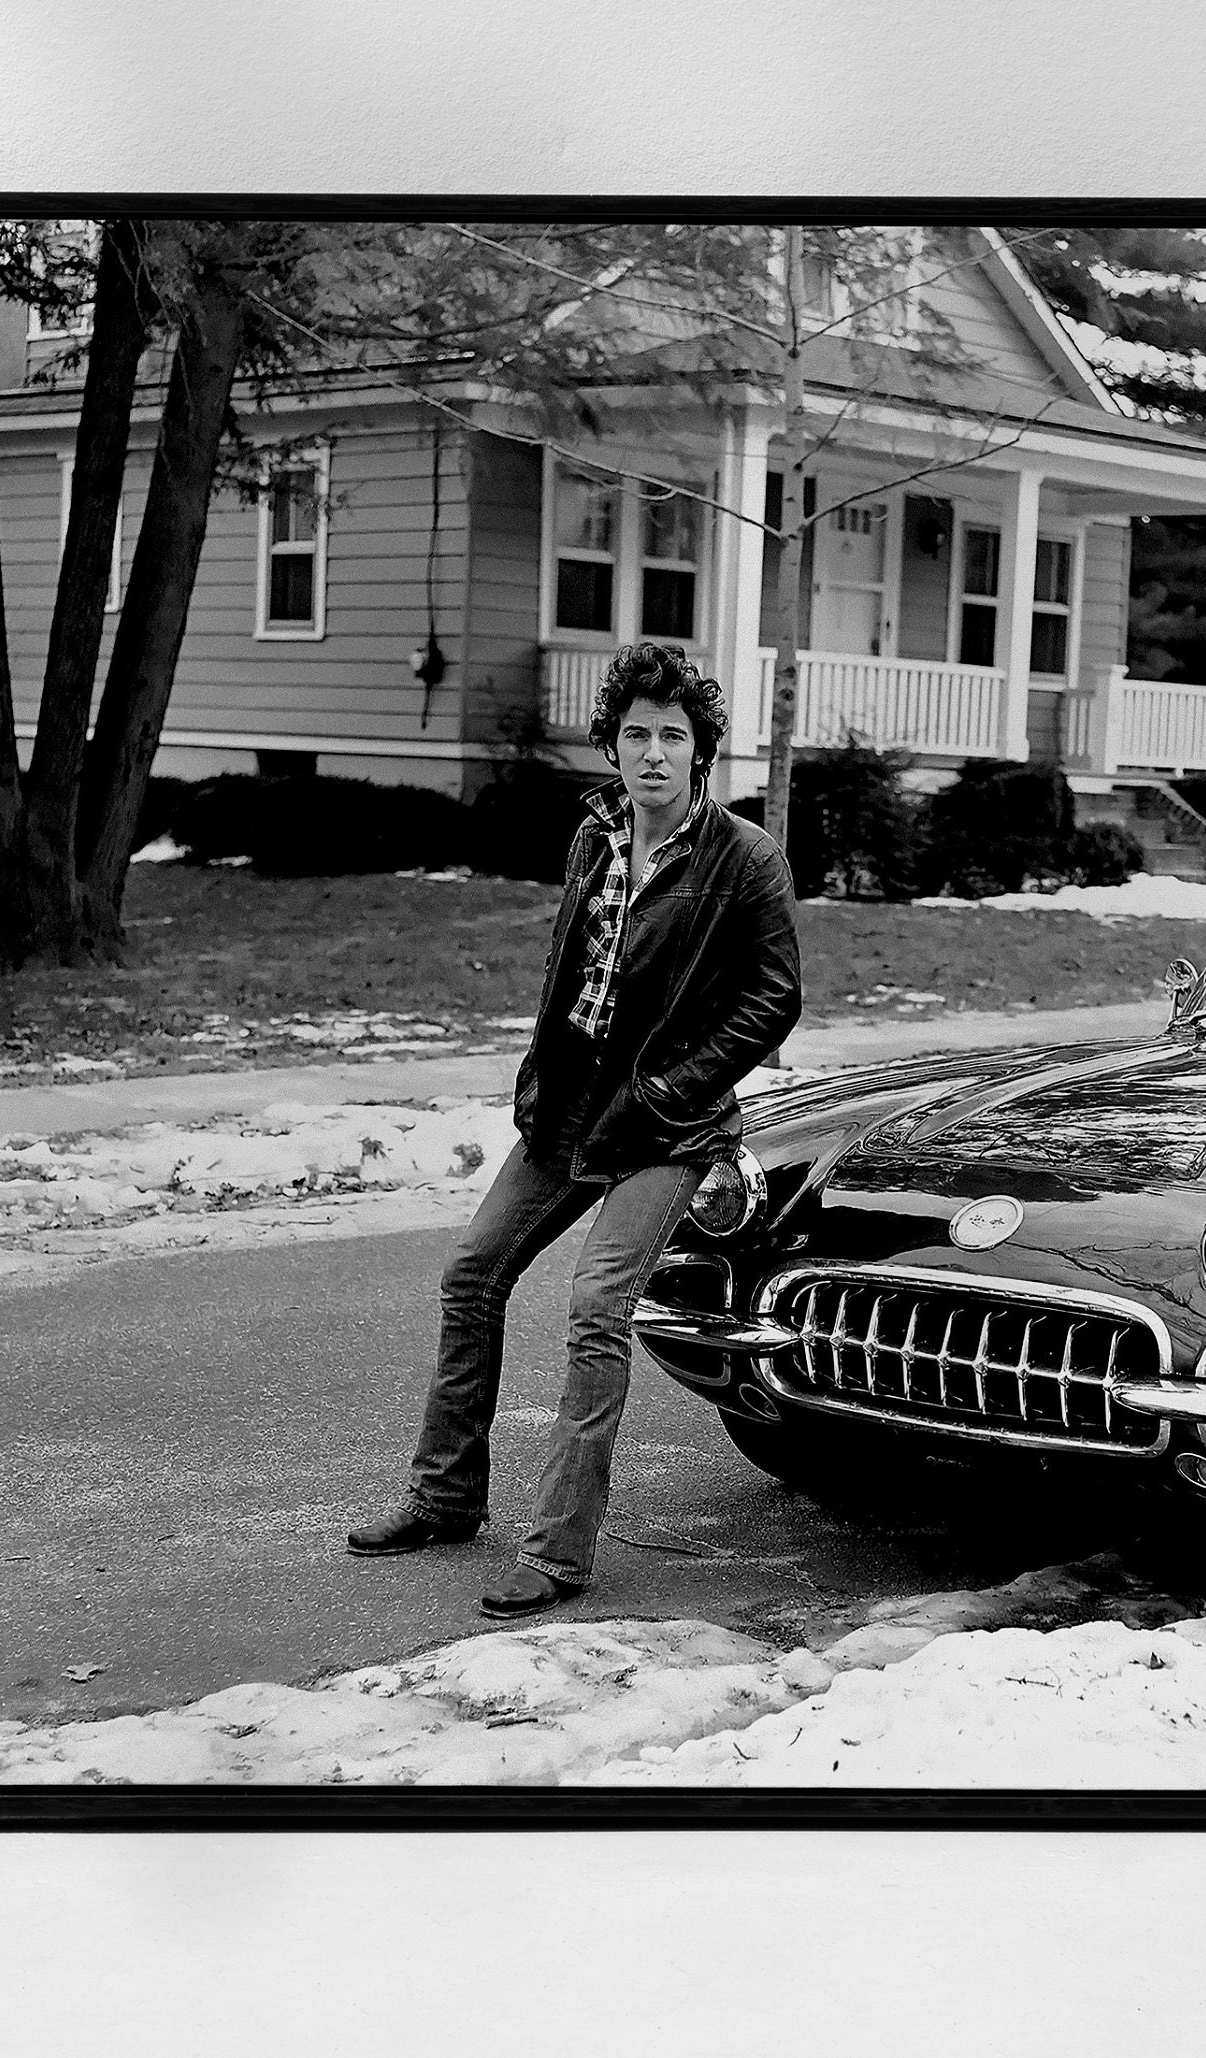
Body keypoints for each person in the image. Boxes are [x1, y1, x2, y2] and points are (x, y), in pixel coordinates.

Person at [345, 642, 801, 1619]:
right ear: (613, 744)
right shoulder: (594, 839)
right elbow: (571, 973)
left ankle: (558, 1550)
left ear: (702, 751)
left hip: (666, 1128)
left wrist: (674, 1089)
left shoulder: (744, 858)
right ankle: (443, 1496)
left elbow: (770, 1000)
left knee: (598, 1305)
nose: (652, 753)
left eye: (672, 736)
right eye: (635, 734)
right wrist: (536, 1076)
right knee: (472, 1271)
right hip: (567, 1112)